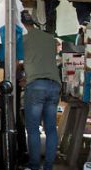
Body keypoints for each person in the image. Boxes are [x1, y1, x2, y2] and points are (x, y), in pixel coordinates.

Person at [22, 11, 60, 170]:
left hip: (36, 86)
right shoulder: (50, 38)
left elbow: (19, 61)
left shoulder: (22, 39)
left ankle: (34, 166)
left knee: (33, 129)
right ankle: (49, 166)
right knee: (51, 129)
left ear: (22, 25)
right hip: (54, 85)